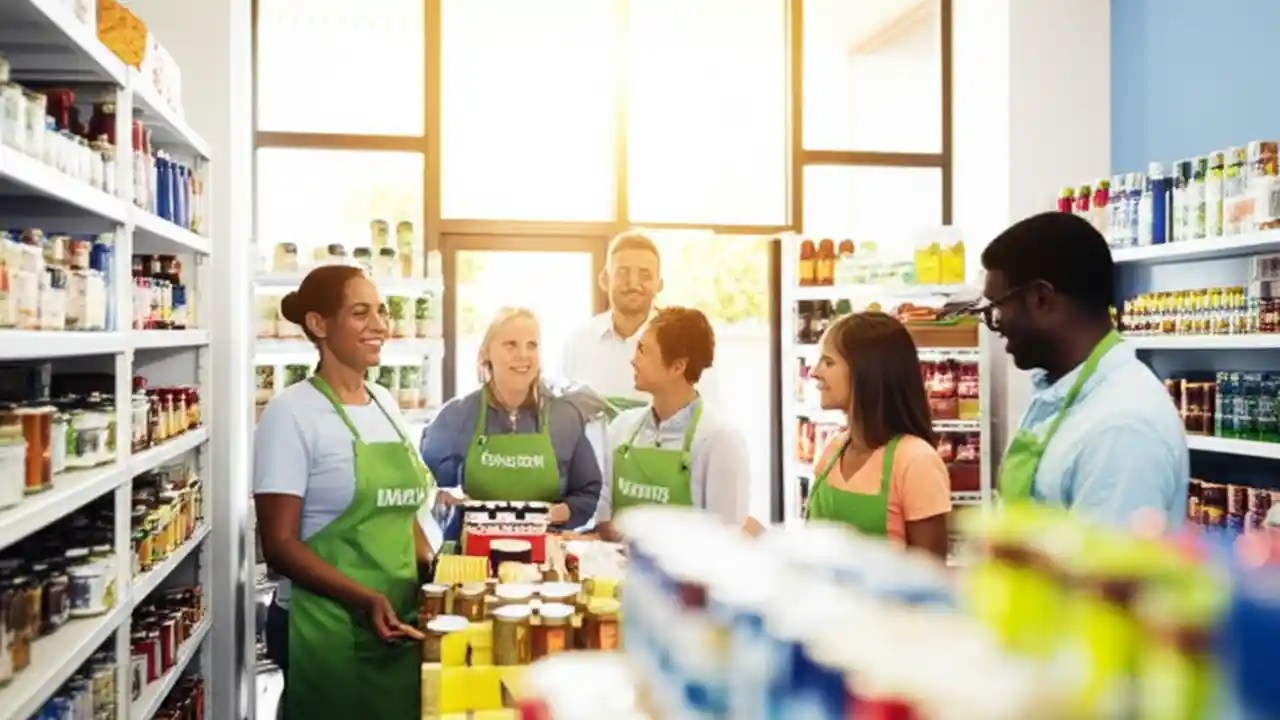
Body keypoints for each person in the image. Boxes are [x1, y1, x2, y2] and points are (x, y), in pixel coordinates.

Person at [254, 266, 430, 720]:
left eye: (382, 311)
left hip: (397, 621)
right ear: (319, 324)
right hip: (324, 625)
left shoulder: (385, 404)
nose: (379, 325)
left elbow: (400, 510)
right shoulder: (291, 412)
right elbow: (278, 545)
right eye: (360, 312)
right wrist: (364, 598)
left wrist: (434, 570)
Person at [977, 211, 1188, 526]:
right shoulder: (1061, 393)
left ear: (1041, 299)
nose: (995, 324)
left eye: (997, 308)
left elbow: (1105, 571)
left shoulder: (1122, 427)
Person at [420, 307, 604, 540]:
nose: (523, 355)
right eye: (511, 345)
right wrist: (445, 501)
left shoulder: (564, 416)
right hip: (472, 560)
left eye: (532, 345)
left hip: (544, 559)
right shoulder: (455, 417)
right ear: (486, 353)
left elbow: (587, 492)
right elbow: (422, 487)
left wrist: (558, 513)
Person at [595, 307, 751, 539]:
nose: (632, 360)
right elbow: (603, 517)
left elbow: (726, 542)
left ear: (678, 367)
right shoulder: (621, 429)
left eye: (642, 350)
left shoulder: (720, 440)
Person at [806, 311, 951, 557]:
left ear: (868, 373)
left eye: (828, 362)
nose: (814, 372)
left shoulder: (916, 461)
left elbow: (928, 577)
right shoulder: (832, 451)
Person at [561, 230, 719, 412]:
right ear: (604, 279)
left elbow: (707, 416)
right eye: (623, 272)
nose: (633, 284)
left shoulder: (686, 343)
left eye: (645, 275)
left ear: (660, 284)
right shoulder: (577, 341)